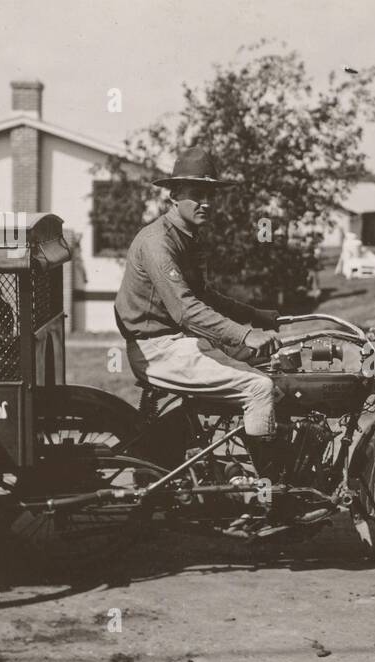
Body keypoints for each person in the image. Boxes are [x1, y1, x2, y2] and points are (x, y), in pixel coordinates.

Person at [114, 146, 284, 480]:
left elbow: (204, 295)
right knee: (259, 388)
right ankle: (271, 494)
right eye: (196, 194)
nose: (206, 202)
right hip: (159, 347)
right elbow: (187, 310)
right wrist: (246, 334)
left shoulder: (188, 236)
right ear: (174, 195)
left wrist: (254, 315)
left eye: (210, 194)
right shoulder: (157, 243)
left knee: (281, 368)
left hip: (178, 341)